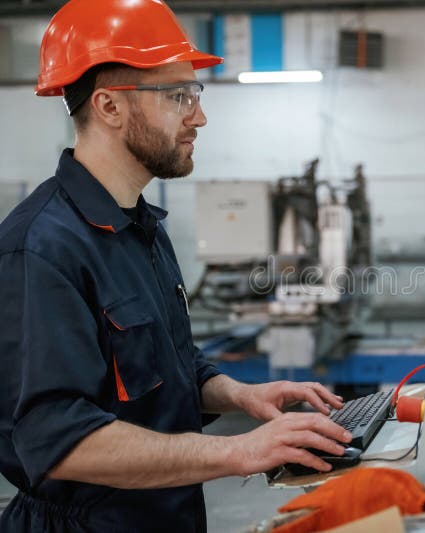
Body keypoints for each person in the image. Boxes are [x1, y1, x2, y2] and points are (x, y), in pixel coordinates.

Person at [0, 1, 351, 530]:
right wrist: (238, 451)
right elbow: (58, 441)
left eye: (196, 93)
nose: (199, 115)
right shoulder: (41, 249)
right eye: (178, 96)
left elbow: (167, 365)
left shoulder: (142, 228)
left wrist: (240, 394)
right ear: (109, 106)